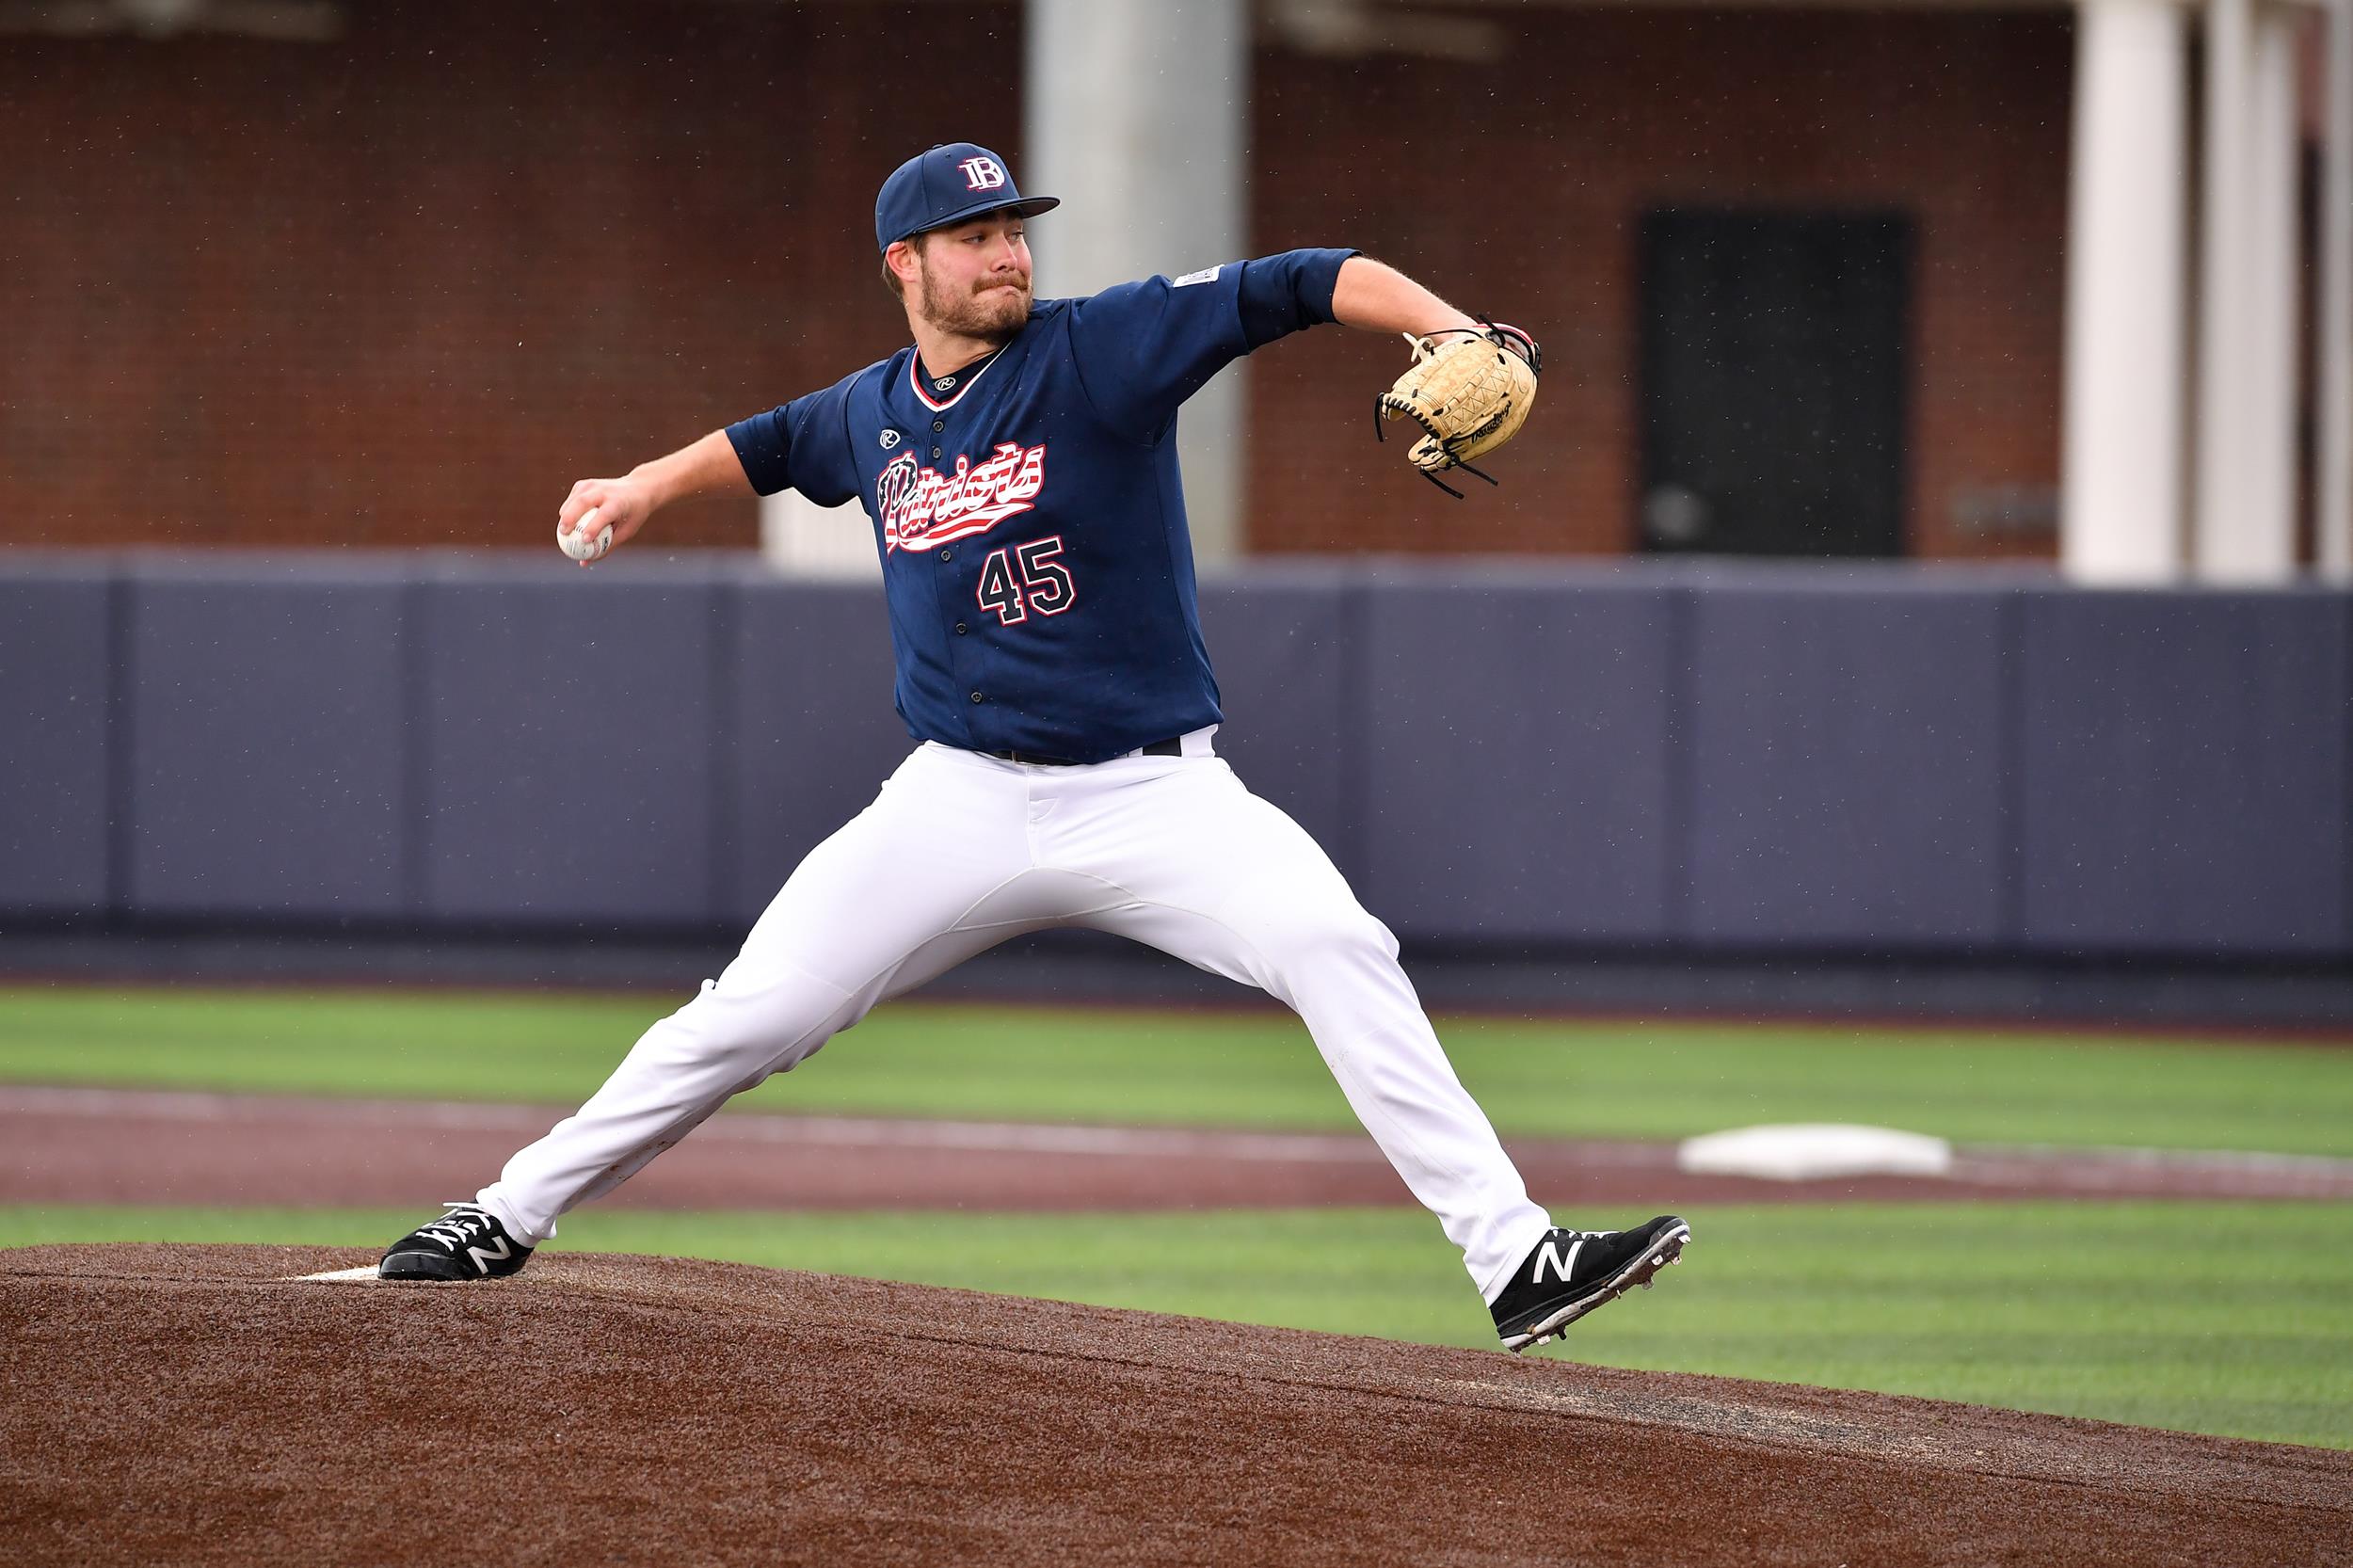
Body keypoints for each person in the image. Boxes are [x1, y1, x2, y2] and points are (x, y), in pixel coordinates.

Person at [377, 142, 1689, 1352]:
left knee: (1334, 944)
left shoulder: (1101, 347)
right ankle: (502, 1211)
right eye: (972, 233)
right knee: (753, 1014)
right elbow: (772, 444)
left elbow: (1299, 280)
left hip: (1156, 795)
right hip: (955, 801)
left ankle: (1519, 1259)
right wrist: (644, 485)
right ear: (905, 263)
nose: (1007, 251)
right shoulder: (871, 410)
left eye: (1013, 226)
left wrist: (1447, 326)